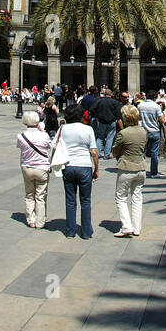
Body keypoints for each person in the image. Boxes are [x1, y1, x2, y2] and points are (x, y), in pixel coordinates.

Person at [57, 102, 99, 239]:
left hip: (68, 166)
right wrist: (96, 168)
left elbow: (54, 146)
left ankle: (70, 231)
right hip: (85, 166)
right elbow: (93, 152)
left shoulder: (62, 129)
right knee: (85, 200)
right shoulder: (88, 129)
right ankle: (86, 232)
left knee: (70, 200)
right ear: (81, 115)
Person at [111, 103, 148, 237]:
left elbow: (115, 151)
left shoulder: (123, 133)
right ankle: (137, 228)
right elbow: (144, 148)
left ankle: (126, 226)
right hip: (141, 167)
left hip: (126, 167)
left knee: (121, 197)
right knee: (137, 197)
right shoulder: (143, 131)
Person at [17, 111, 52, 229]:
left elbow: (20, 147)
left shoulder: (21, 136)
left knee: (29, 194)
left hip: (27, 167)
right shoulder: (44, 135)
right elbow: (49, 146)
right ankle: (40, 222)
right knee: (41, 196)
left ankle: (31, 219)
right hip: (42, 168)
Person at [137, 92, 165, 177]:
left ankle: (141, 171)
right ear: (155, 97)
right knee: (154, 153)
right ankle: (154, 173)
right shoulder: (157, 106)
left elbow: (138, 117)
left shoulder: (140, 105)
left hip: (143, 131)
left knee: (142, 152)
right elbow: (161, 120)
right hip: (154, 131)